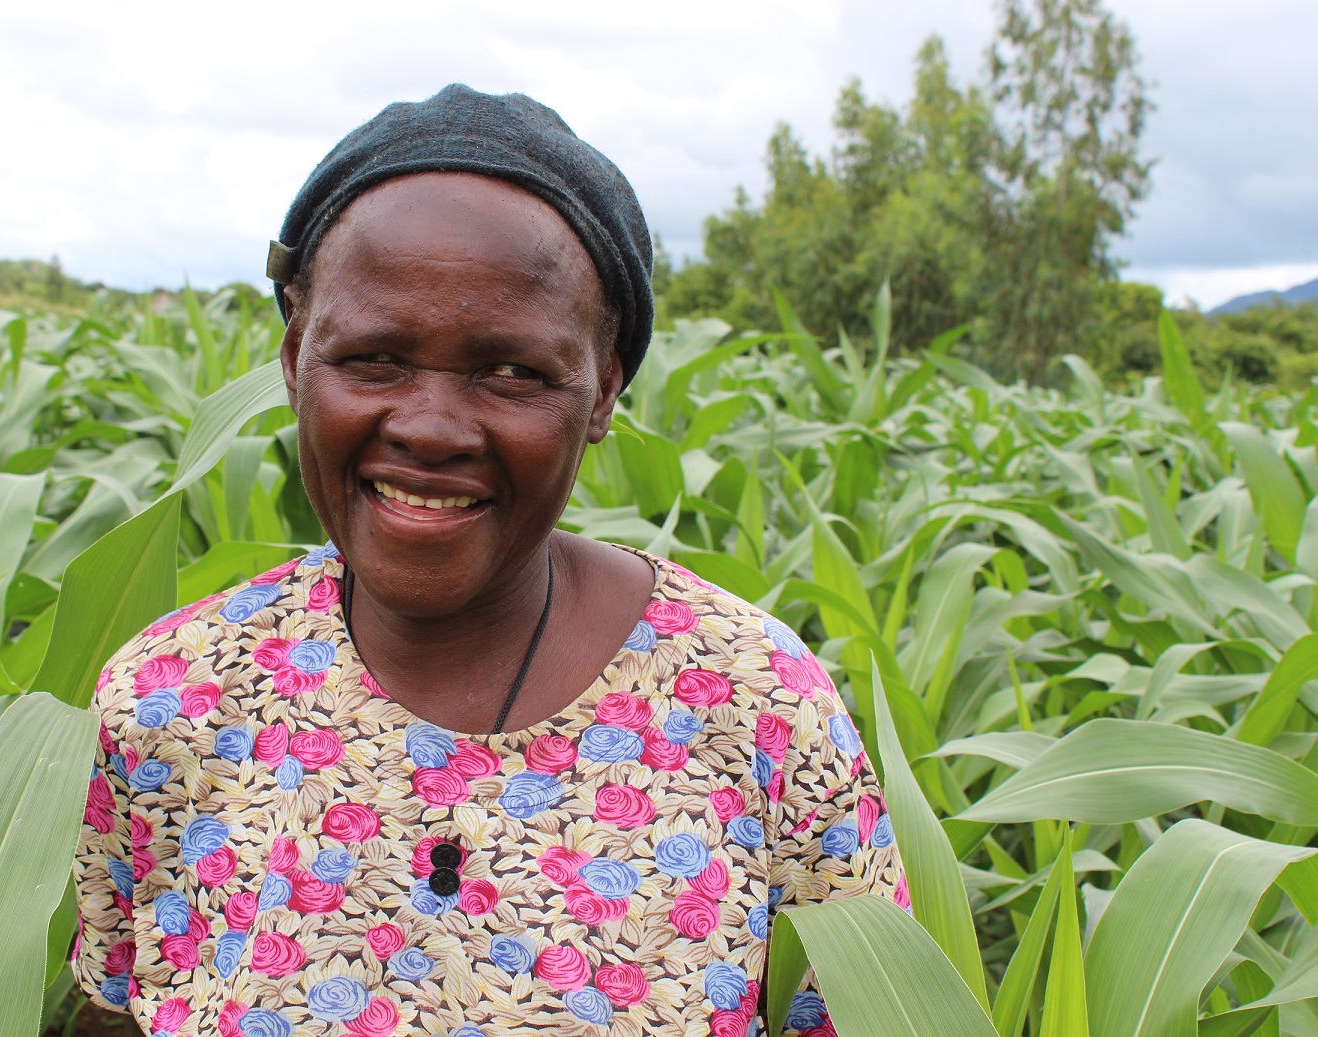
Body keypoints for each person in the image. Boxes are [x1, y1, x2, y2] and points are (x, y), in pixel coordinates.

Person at [72, 83, 905, 1037]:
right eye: (372, 357)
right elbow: (112, 1006)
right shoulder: (169, 701)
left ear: (602, 395)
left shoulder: (759, 706)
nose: (429, 427)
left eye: (512, 371)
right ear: (298, 353)